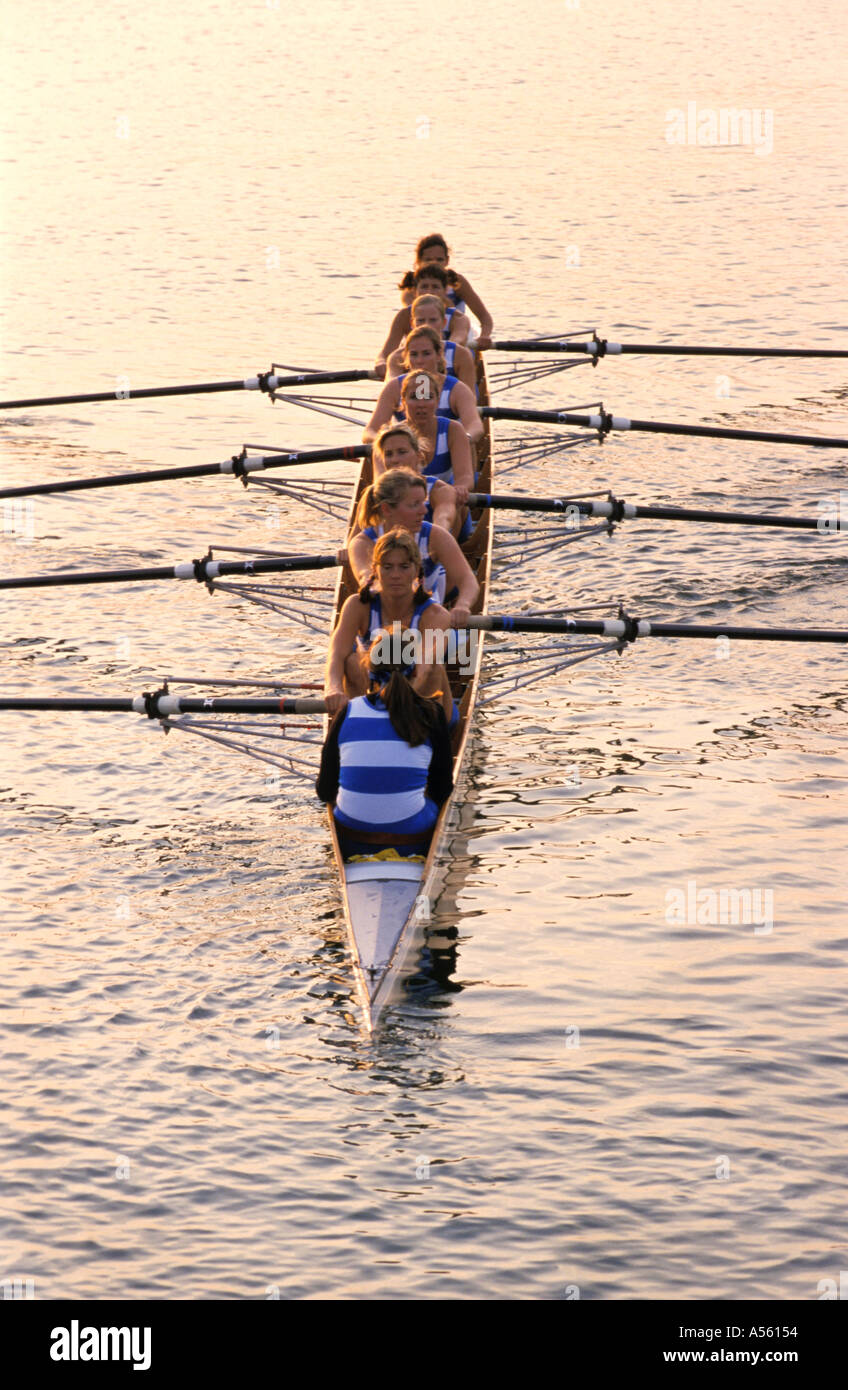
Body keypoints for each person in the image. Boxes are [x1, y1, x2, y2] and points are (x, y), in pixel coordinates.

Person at [316, 634, 454, 862]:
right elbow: (442, 790)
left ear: (369, 671)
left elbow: (324, 790)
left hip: (351, 836)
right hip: (413, 837)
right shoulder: (432, 713)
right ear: (415, 670)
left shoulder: (348, 711)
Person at [325, 528, 456, 725]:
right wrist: (333, 689)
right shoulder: (357, 606)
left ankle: (424, 738)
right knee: (351, 662)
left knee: (435, 670)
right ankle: (360, 722)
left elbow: (424, 668)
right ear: (375, 569)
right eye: (387, 567)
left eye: (404, 567)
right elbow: (335, 654)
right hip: (373, 692)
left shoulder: (435, 615)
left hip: (419, 699)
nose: (395, 575)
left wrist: (392, 705)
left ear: (416, 569)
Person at [348, 468, 478, 623]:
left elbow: (468, 580)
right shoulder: (362, 544)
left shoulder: (435, 536)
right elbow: (367, 579)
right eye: (414, 504)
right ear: (387, 509)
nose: (424, 511)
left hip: (430, 623)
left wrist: (463, 605)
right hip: (382, 627)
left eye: (423, 503)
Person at [364, 328, 483, 444]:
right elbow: (370, 432)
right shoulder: (394, 387)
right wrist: (387, 441)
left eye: (426, 354)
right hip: (405, 455)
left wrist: (464, 439)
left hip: (449, 454)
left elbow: (476, 427)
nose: (420, 361)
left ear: (438, 355)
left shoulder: (457, 389)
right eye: (414, 354)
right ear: (406, 358)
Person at [369, 421, 467, 538]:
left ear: (419, 455)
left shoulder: (440, 490)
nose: (394, 459)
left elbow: (443, 519)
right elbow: (356, 537)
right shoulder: (375, 493)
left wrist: (435, 539)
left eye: (402, 452)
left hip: (434, 547)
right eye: (388, 454)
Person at [375, 262, 472, 378]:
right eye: (424, 286)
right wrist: (381, 363)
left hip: (449, 374)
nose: (429, 291)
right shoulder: (404, 317)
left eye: (435, 287)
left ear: (445, 290)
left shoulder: (458, 318)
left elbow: (458, 341)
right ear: (415, 290)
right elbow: (386, 352)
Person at [398, 235, 493, 348]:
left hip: (458, 333)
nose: (434, 264)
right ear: (418, 261)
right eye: (428, 260)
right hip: (421, 338)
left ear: (447, 261)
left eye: (439, 259)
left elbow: (485, 318)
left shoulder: (458, 282)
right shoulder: (411, 289)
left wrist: (484, 336)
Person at [385, 294, 477, 392]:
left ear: (444, 323)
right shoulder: (397, 357)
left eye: (433, 320)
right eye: (421, 320)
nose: (427, 325)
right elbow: (391, 390)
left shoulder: (460, 354)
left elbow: (470, 396)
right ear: (412, 323)